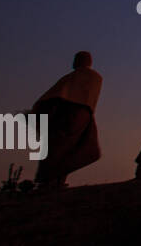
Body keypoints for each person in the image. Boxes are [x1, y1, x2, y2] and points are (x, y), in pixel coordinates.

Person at [32, 51, 103, 190]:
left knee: (57, 148)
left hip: (68, 115)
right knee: (70, 148)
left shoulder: (73, 77)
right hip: (84, 116)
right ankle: (57, 180)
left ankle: (50, 181)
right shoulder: (97, 78)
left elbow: (54, 97)